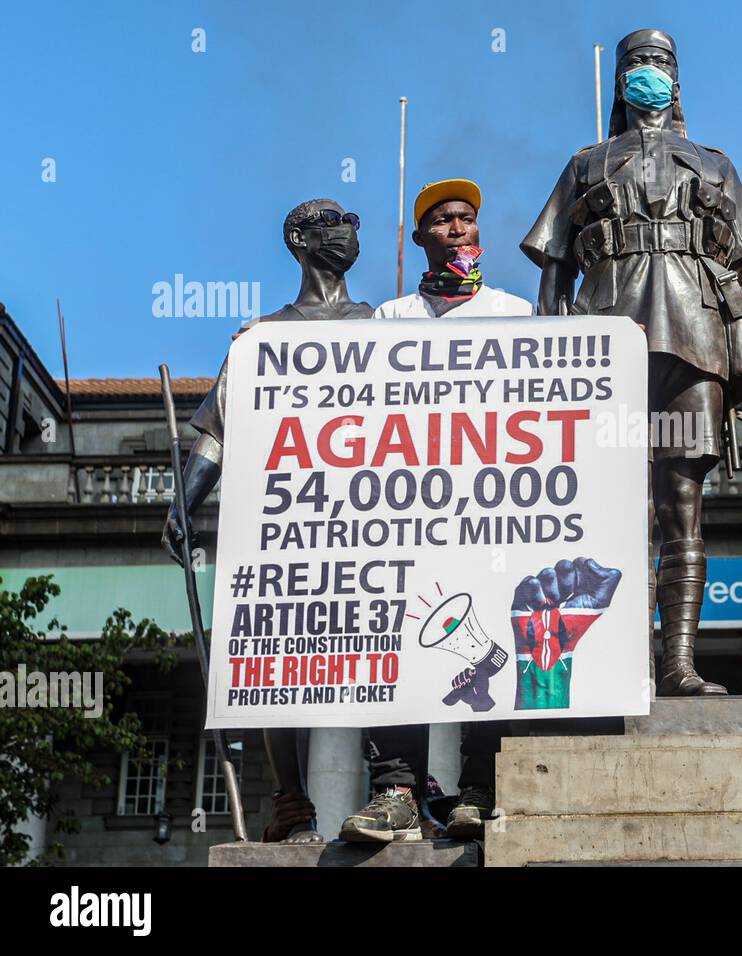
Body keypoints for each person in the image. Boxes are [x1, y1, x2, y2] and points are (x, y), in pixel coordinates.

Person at [521, 28, 742, 697]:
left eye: (660, 63)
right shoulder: (586, 163)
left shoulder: (715, 163)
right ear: (618, 80)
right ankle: (627, 658)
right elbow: (553, 274)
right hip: (607, 342)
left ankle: (679, 662)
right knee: (618, 505)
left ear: (677, 77)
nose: (648, 73)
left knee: (682, 503)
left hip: (697, 335)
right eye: (637, 63)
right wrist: (547, 365)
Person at [162, 198, 372, 845]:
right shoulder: (263, 340)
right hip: (286, 521)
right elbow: (220, 433)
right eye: (335, 219)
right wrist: (183, 501)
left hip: (366, 515)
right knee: (275, 654)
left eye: (353, 222)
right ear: (299, 238)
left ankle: (394, 788)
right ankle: (290, 800)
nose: (349, 231)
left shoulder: (382, 326)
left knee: (380, 649)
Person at [340, 178, 533, 843]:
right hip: (410, 512)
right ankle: (396, 786)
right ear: (420, 237)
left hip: (492, 510)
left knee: (494, 644)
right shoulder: (390, 320)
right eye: (444, 220)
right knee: (396, 643)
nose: (459, 229)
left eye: (468, 219)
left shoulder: (517, 311)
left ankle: (477, 785)